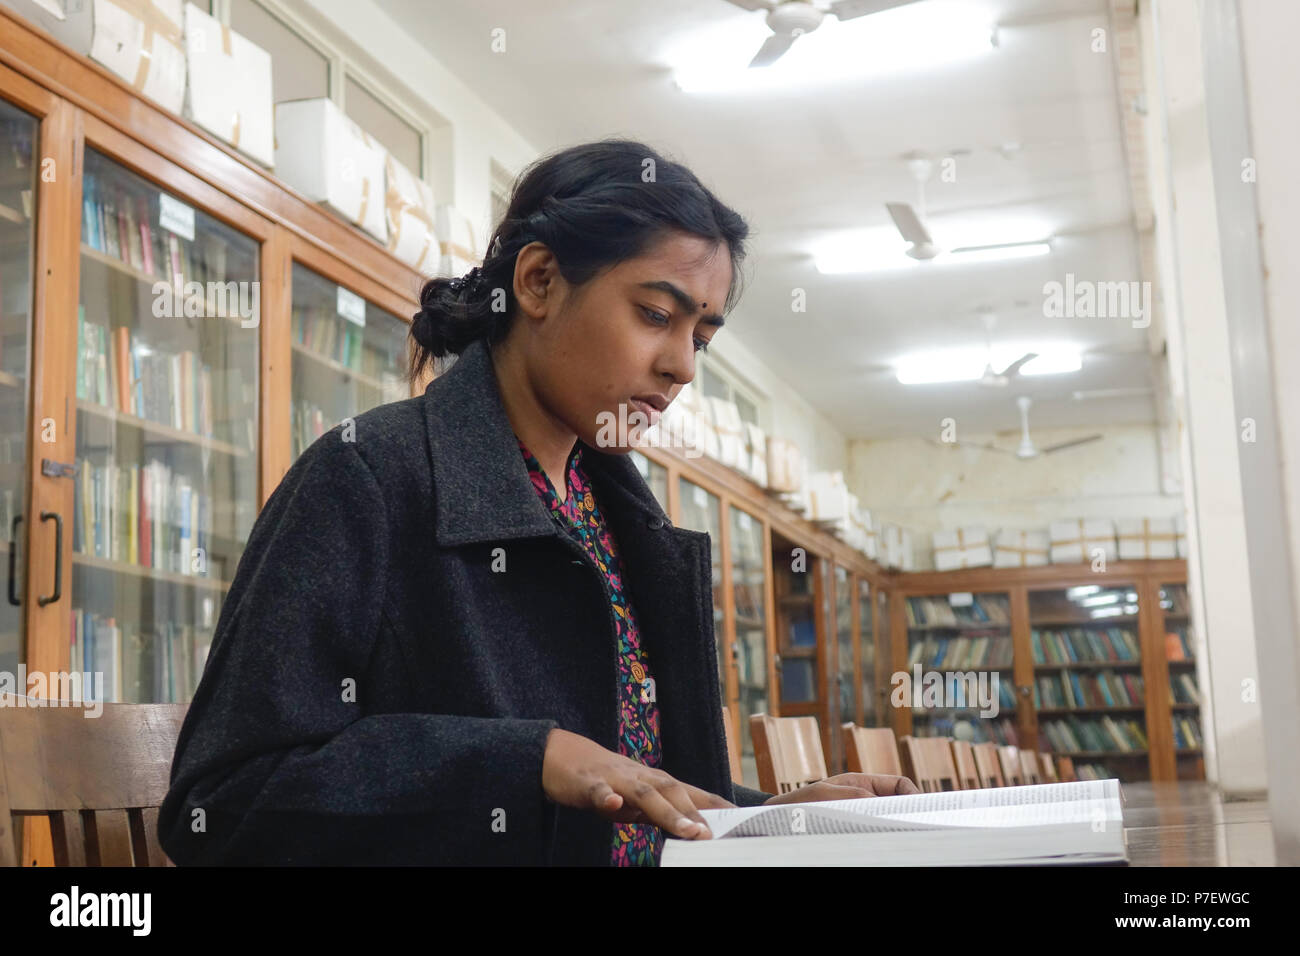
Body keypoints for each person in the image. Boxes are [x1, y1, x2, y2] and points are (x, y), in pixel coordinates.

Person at [158, 138, 917, 867]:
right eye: (656, 314)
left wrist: (767, 816)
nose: (682, 365)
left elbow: (622, 797)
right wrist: (532, 758)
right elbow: (224, 805)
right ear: (539, 281)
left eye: (702, 337)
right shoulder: (367, 477)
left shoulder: (622, 518)